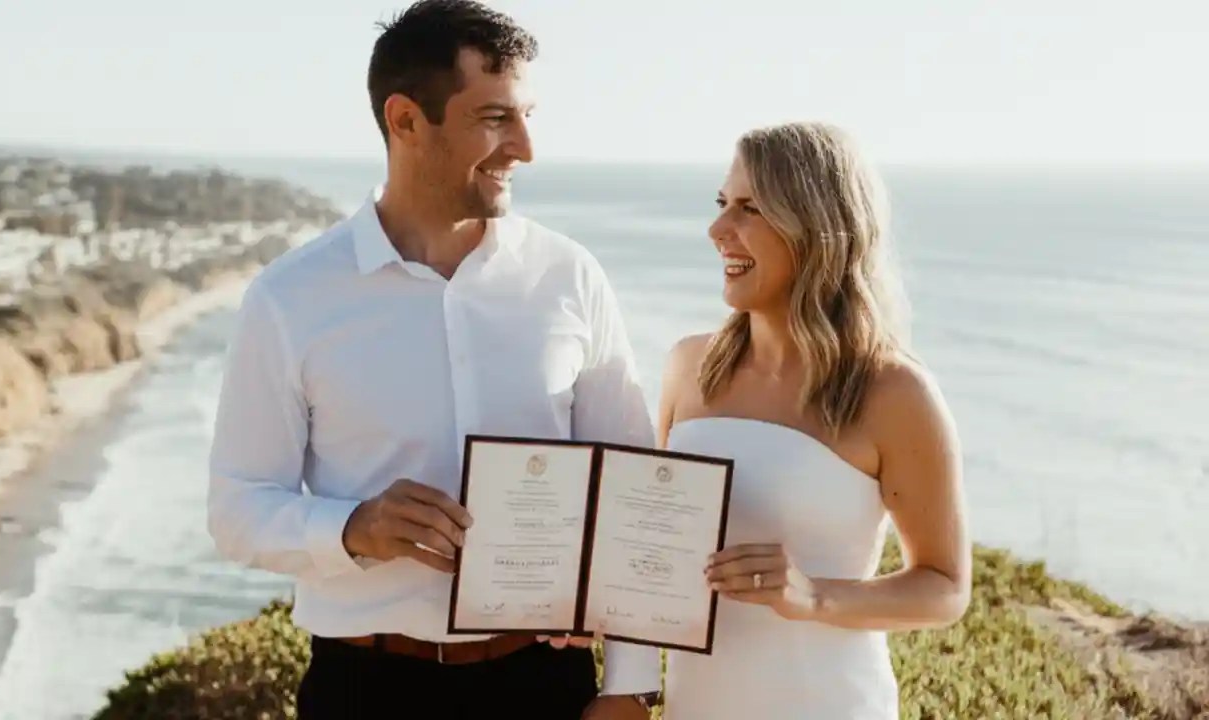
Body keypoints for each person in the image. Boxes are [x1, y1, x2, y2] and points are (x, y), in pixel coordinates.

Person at [206, 2, 659, 718]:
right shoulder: (289, 298)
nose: (526, 148)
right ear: (406, 120)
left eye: (526, 115)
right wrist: (353, 529)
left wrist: (631, 684)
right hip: (366, 689)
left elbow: (633, 487)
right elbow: (236, 510)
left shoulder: (570, 277)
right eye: (494, 119)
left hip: (539, 685)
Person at [655, 122, 972, 718]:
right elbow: (654, 542)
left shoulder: (894, 392)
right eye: (723, 204)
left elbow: (945, 588)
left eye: (749, 208)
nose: (718, 229)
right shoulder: (687, 366)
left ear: (817, 229)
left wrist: (814, 595)